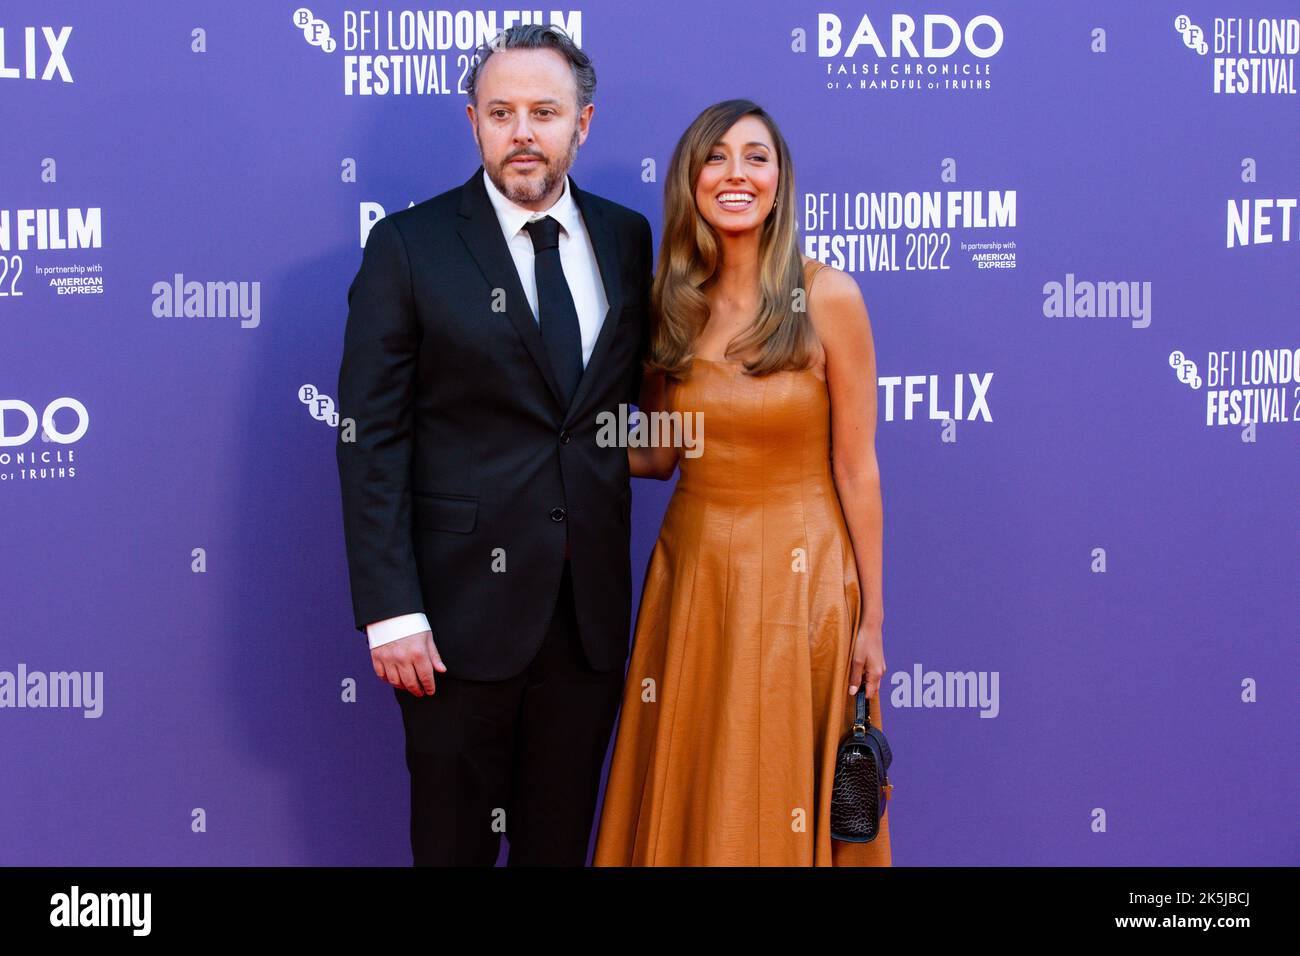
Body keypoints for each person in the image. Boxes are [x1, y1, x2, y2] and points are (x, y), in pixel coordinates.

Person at [335, 24, 653, 866]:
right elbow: (370, 438)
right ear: (471, 120)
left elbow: (623, 407)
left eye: (544, 112)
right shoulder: (410, 247)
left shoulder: (627, 240)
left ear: (583, 124)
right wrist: (391, 610)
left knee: (557, 848)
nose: (523, 132)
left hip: (586, 618)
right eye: (502, 111)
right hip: (452, 620)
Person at [593, 99, 892, 866]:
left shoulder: (828, 297)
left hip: (806, 579)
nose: (736, 174)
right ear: (690, 180)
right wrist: (551, 434)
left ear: (780, 181)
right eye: (715, 157)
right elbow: (660, 451)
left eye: (756, 157)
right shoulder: (669, 303)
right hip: (693, 573)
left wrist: (873, 621)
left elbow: (857, 467)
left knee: (785, 782)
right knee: (701, 779)